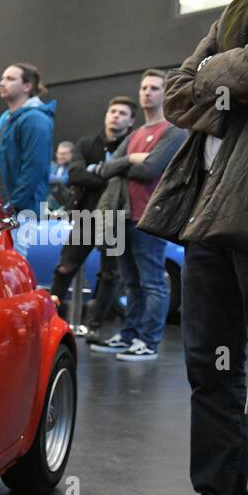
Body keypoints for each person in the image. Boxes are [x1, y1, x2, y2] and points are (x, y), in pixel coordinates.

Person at [143, 0, 248, 495]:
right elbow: (176, 93)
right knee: (208, 362)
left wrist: (217, 72)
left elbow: (208, 81)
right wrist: (247, 75)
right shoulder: (242, 6)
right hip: (208, 206)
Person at [87, 71, 185, 362]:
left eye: (154, 88)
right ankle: (130, 335)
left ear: (165, 93)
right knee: (129, 282)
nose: (147, 93)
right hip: (122, 215)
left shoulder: (174, 131)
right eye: (144, 87)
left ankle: (149, 341)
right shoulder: (134, 135)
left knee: (152, 281)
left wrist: (123, 164)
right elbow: (105, 170)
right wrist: (130, 159)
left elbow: (151, 169)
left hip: (149, 217)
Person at [50, 95, 135, 330]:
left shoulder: (132, 145)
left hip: (116, 218)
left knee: (110, 275)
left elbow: (136, 175)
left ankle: (94, 324)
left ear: (130, 121)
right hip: (87, 215)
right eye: (113, 111)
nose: (116, 115)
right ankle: (51, 319)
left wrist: (97, 173)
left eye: (122, 113)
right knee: (65, 268)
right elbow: (75, 175)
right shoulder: (87, 143)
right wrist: (113, 176)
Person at [0, 62, 56, 220]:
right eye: (3, 78)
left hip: (23, 213)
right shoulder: (6, 117)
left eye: (10, 79)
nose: (2, 83)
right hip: (1, 209)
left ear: (27, 86)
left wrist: (12, 206)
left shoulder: (36, 119)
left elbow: (34, 168)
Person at [47, 140, 76, 211]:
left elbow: (66, 180)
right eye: (58, 153)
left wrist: (47, 178)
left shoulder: (74, 168)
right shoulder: (52, 166)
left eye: (63, 154)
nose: (60, 156)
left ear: (71, 154)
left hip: (66, 203)